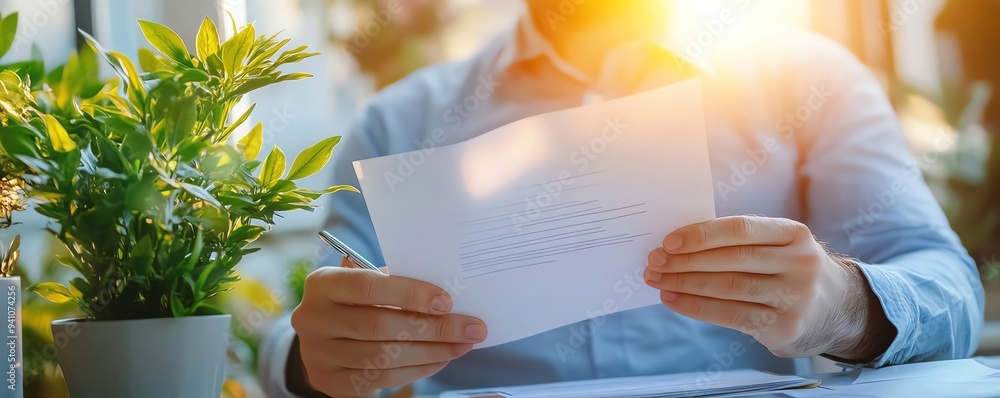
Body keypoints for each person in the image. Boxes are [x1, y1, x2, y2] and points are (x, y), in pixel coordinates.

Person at [259, 1, 985, 397]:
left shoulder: (808, 81)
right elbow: (312, 324)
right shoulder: (400, 121)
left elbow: (948, 284)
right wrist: (313, 365)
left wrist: (844, 304)